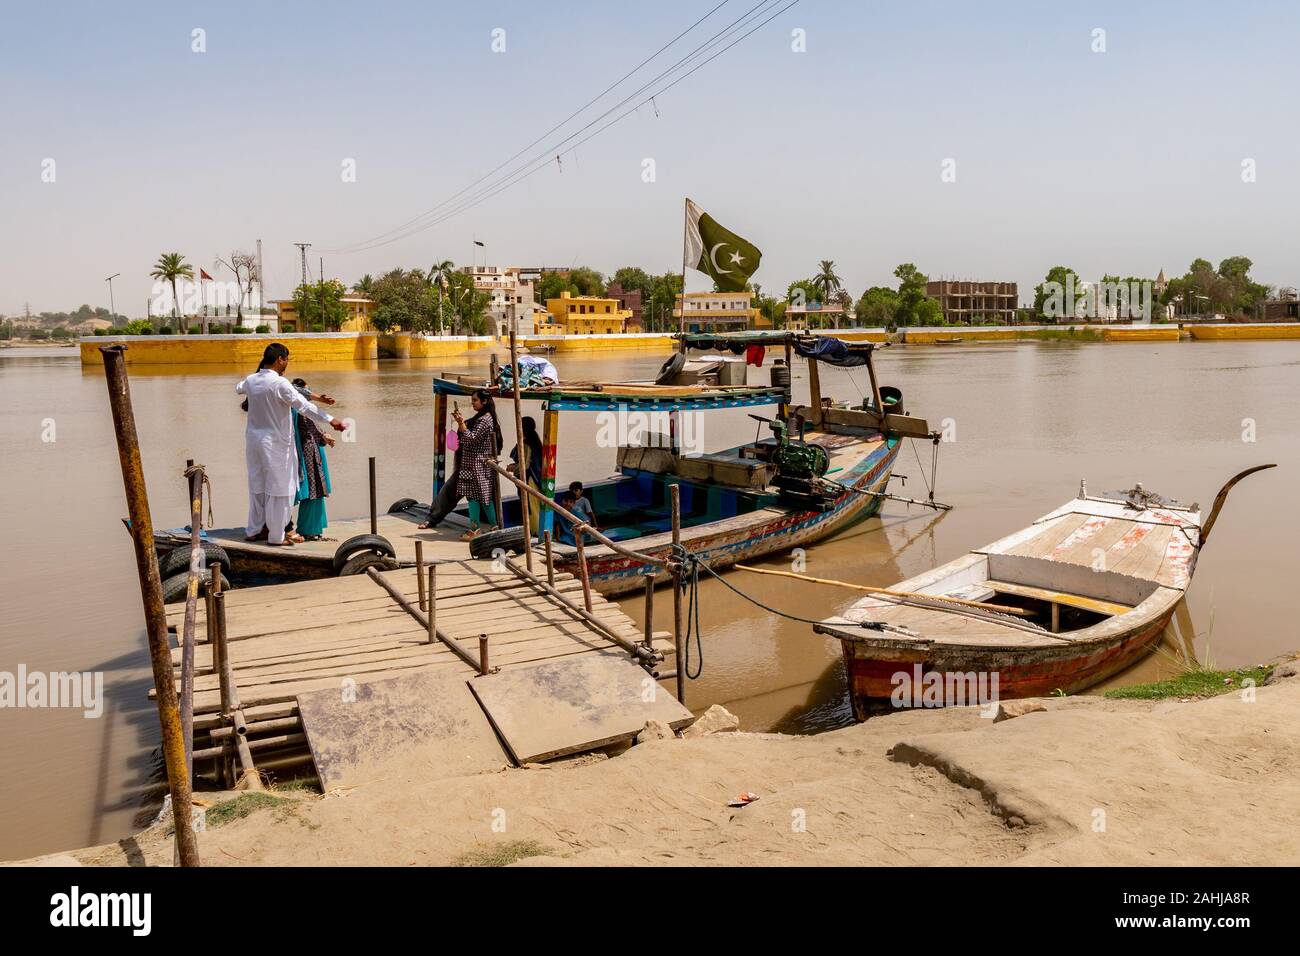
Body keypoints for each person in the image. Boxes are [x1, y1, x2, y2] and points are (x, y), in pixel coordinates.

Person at [235, 344, 345, 547]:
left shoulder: (251, 381)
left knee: (258, 486)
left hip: (253, 442)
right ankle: (276, 537)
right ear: (279, 359)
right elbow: (304, 407)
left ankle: (254, 530)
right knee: (281, 489)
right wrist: (331, 419)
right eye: (287, 359)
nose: (287, 363)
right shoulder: (280, 384)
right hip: (276, 445)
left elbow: (238, 388)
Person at [452, 389, 503, 541]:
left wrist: (461, 423)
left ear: (484, 401)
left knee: (477, 498)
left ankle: (476, 529)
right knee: (480, 497)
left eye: (475, 400)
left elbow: (471, 439)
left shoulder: (485, 420)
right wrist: (461, 424)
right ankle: (492, 527)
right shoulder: (481, 418)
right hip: (472, 464)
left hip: (477, 465)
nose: (472, 403)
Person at [290, 377, 336, 541]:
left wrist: (323, 435)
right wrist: (324, 436)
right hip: (310, 452)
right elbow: (310, 426)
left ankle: (312, 529)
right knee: (313, 490)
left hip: (307, 450)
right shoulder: (300, 408)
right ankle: (308, 529)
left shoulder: (293, 407)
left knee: (313, 490)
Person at [508, 416, 544, 535]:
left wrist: (512, 468)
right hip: (536, 479)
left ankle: (535, 533)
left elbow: (525, 464)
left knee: (531, 508)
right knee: (534, 507)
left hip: (530, 480)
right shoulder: (535, 441)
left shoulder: (526, 443)